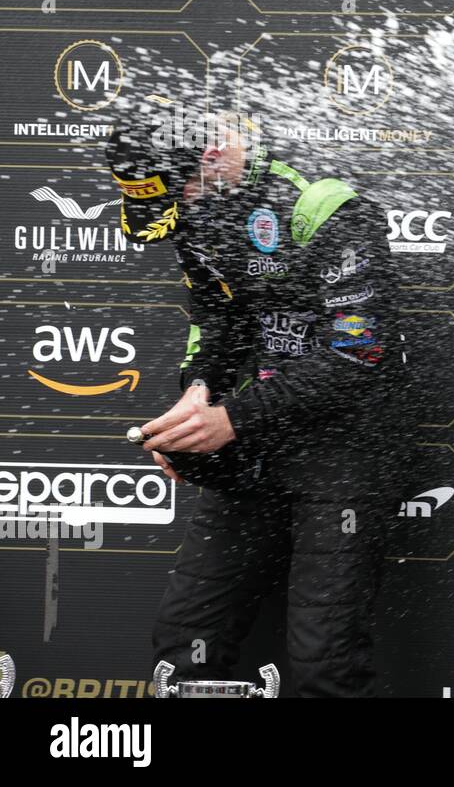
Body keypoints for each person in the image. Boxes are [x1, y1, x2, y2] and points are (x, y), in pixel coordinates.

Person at [105, 113, 406, 697]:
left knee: (323, 660)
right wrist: (196, 400)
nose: (183, 207)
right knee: (186, 638)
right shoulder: (194, 208)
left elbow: (359, 352)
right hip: (251, 449)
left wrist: (230, 419)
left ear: (214, 155)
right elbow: (216, 317)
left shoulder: (323, 203)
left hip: (344, 456)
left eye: (183, 191)